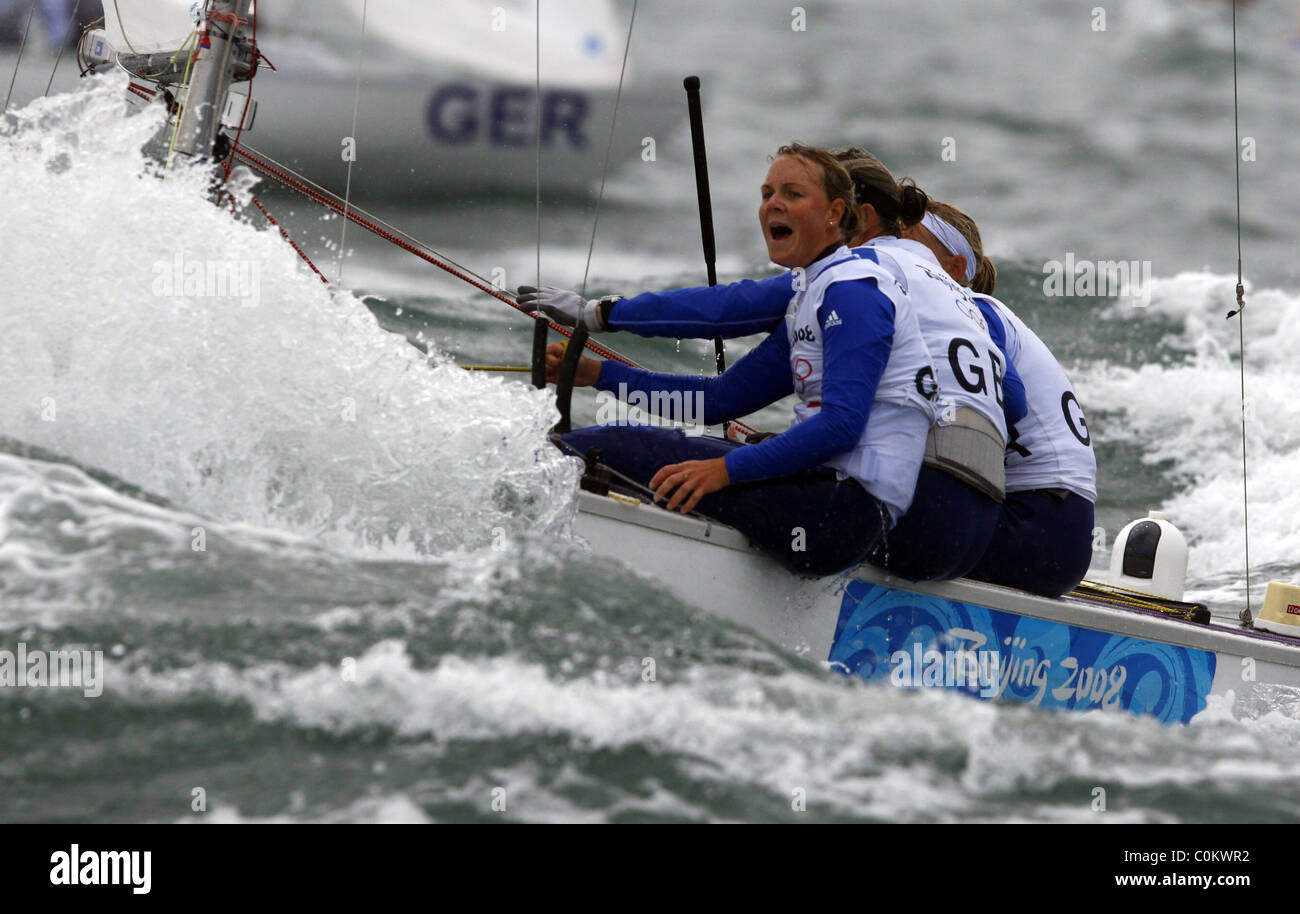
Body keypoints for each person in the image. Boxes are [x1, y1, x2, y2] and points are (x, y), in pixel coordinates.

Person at [521, 148, 1026, 582]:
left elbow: (730, 313)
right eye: (766, 193)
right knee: (623, 447)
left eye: (792, 194)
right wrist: (601, 376)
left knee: (589, 452)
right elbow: (720, 400)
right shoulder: (848, 289)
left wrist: (602, 314)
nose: (773, 205)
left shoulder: (857, 282)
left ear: (842, 214)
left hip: (863, 513)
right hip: (957, 520)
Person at [902, 201, 1097, 596]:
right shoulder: (980, 317)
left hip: (1037, 526)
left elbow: (1009, 403)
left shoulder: (975, 313)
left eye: (911, 249)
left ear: (955, 270)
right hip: (1063, 533)